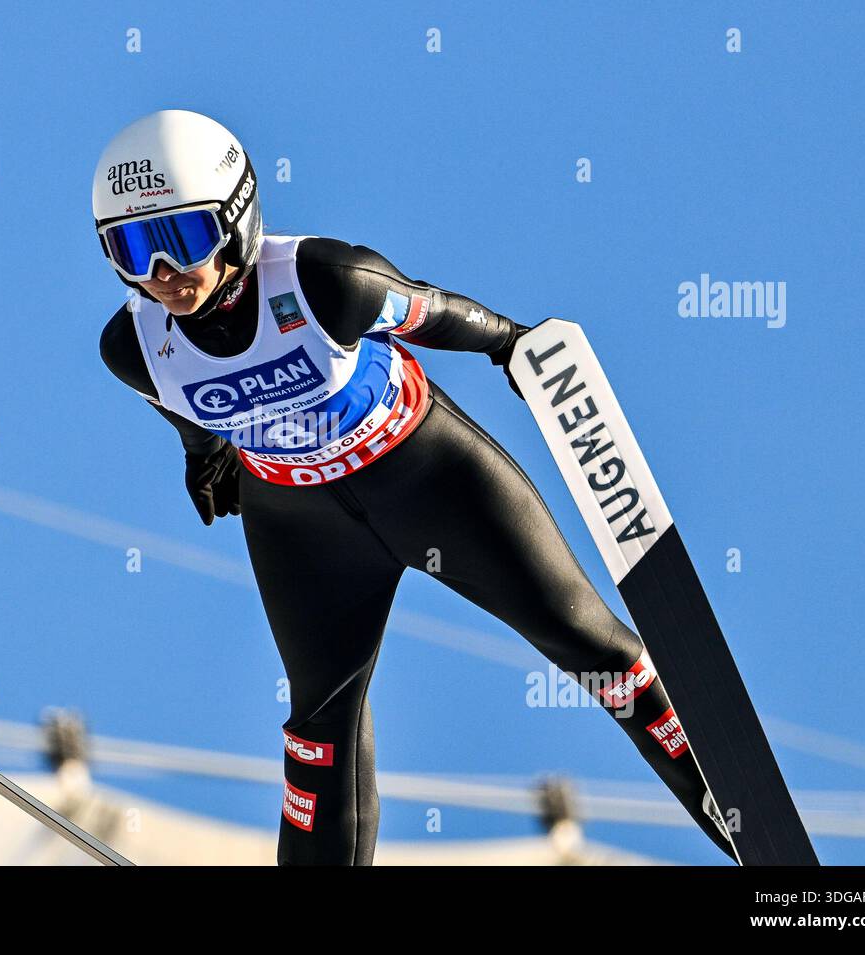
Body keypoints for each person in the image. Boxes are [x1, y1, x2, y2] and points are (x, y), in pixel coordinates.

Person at [94, 109, 735, 865]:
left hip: (427, 478)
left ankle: (739, 818)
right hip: (301, 527)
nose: (161, 275)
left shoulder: (326, 282)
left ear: (236, 222)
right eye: (132, 250)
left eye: (182, 241)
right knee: (317, 737)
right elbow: (186, 401)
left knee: (590, 646)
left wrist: (514, 345)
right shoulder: (130, 346)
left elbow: (432, 312)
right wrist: (203, 456)